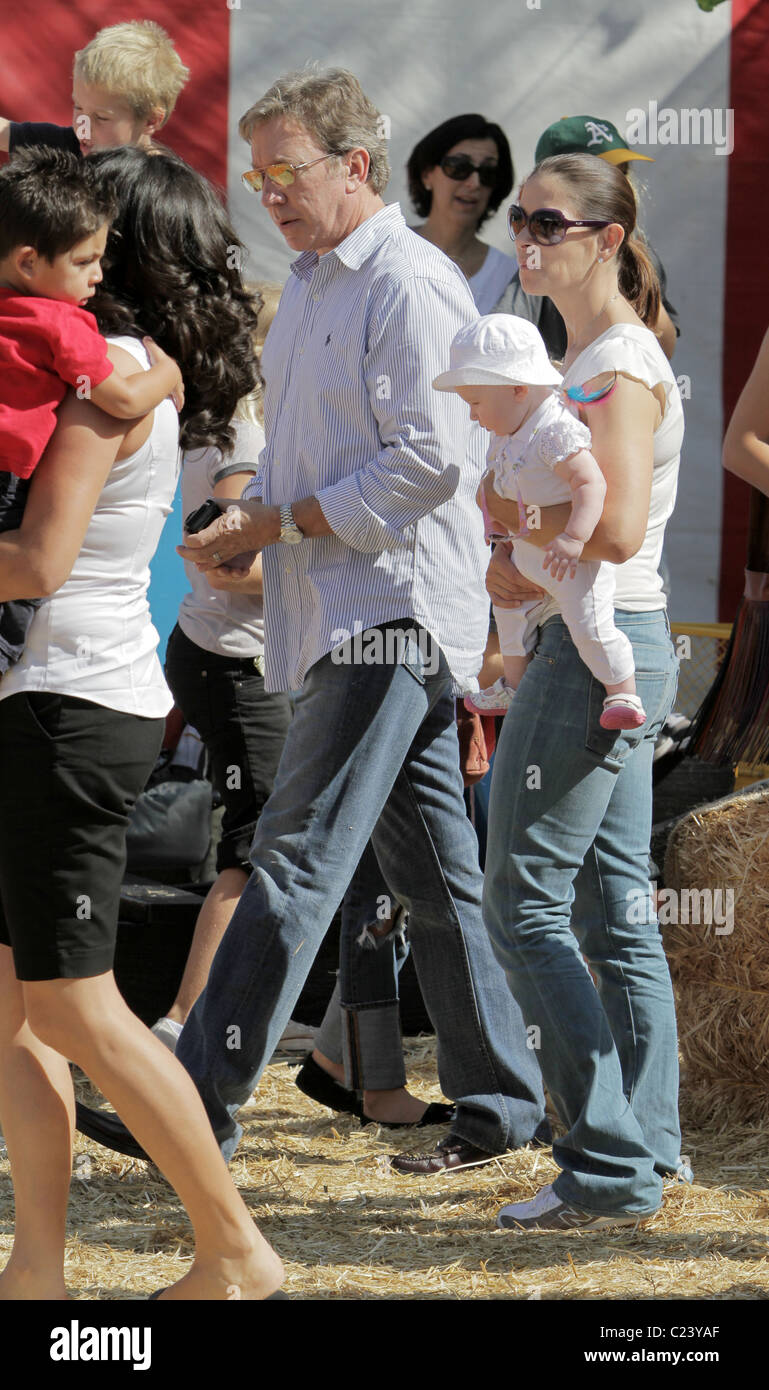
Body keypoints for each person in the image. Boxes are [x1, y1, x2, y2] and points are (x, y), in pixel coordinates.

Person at [174, 65, 547, 1176]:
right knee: (436, 881)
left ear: (357, 166)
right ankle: (504, 1106)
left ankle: (195, 1099)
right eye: (257, 174)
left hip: (385, 614)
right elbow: (321, 460)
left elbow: (432, 463)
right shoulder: (323, 281)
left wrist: (275, 524)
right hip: (354, 610)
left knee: (292, 858)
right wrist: (255, 523)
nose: (269, 191)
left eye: (286, 170)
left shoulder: (408, 284)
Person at [0, 145, 284, 1301]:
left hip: (70, 706)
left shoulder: (106, 372)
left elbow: (37, 560)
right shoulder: (120, 367)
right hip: (55, 701)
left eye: (96, 241)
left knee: (73, 1004)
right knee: (20, 1006)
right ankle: (37, 1270)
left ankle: (235, 1252)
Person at [480, 151, 685, 1230]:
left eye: (548, 221)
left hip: (595, 652)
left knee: (518, 902)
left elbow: (606, 528)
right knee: (611, 912)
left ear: (606, 239)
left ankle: (608, 1168)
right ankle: (644, 1151)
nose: (527, 235)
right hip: (610, 645)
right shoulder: (600, 358)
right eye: (521, 217)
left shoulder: (614, 363)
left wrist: (517, 539)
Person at [0, 148, 183, 672]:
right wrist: (168, 374)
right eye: (84, 262)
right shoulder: (62, 325)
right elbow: (122, 400)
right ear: (29, 260)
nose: (98, 275)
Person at [437, 314, 647, 730]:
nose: (473, 416)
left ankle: (622, 690)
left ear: (518, 389)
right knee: (510, 614)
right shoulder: (507, 430)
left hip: (567, 561)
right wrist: (503, 540)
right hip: (527, 555)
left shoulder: (554, 430)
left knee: (590, 624)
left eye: (476, 403)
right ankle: (513, 685)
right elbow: (503, 490)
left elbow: (590, 483)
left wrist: (573, 537)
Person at [496, 116, 678, 363]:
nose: (617, 186)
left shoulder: (640, 251)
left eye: (622, 172)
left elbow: (662, 347)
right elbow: (500, 345)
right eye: (598, 175)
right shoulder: (540, 257)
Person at [0, 20, 189, 158]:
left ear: (150, 120)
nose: (83, 128)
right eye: (78, 108)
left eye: (101, 117)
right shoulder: (70, 146)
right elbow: (5, 133)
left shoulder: (164, 192)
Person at [407, 113, 515, 311]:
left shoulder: (511, 278)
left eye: (488, 173)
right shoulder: (386, 249)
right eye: (459, 167)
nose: (474, 184)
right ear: (426, 174)